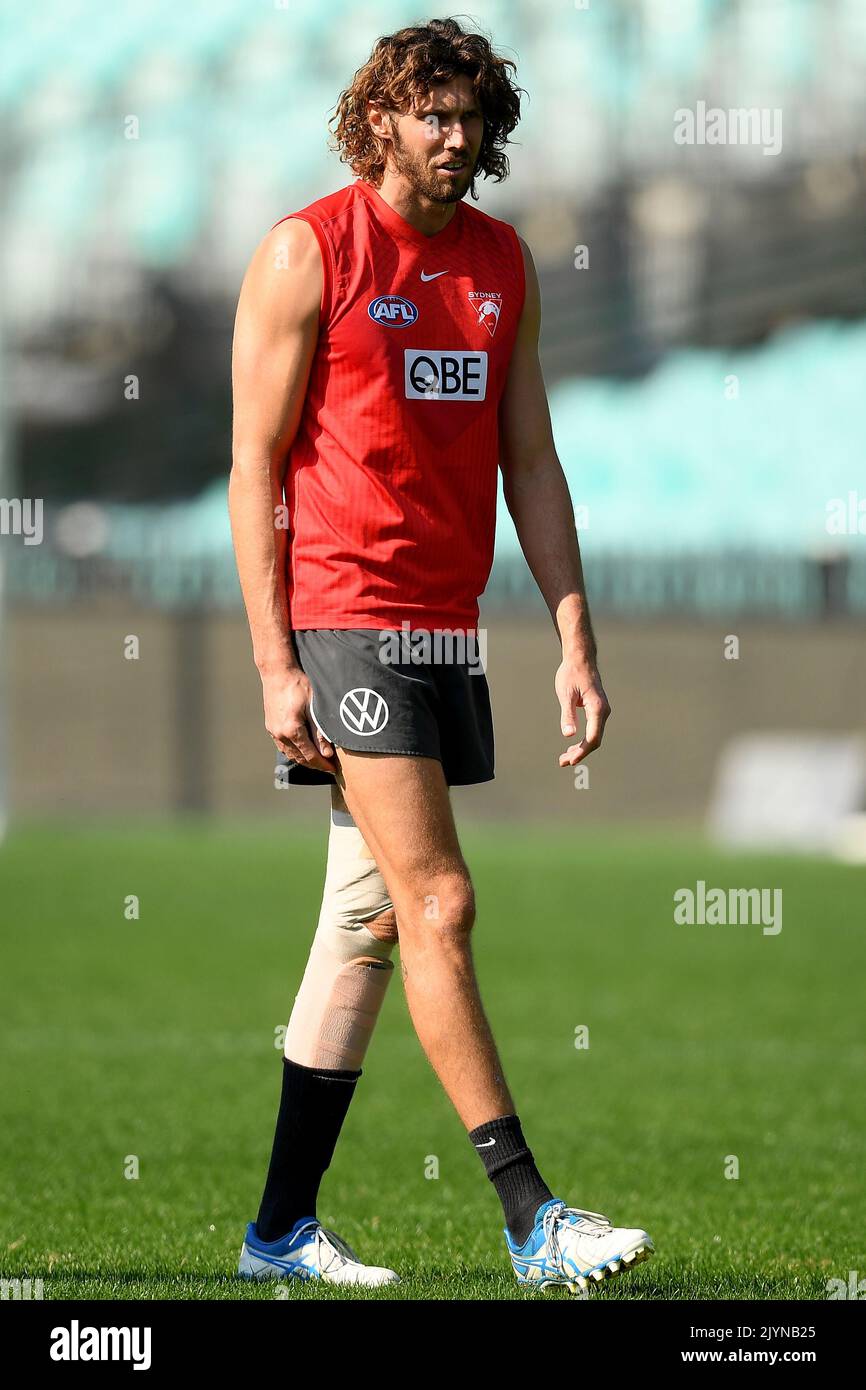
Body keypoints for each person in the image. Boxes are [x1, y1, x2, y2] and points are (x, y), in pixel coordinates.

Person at [229, 16, 654, 1294]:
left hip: (441, 625)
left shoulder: (502, 264)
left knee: (363, 924)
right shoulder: (309, 251)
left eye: (474, 117)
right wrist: (273, 661)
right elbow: (252, 465)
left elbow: (530, 456)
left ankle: (277, 1237)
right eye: (433, 115)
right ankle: (531, 1216)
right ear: (378, 122)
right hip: (342, 613)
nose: (458, 137)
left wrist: (572, 629)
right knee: (439, 902)